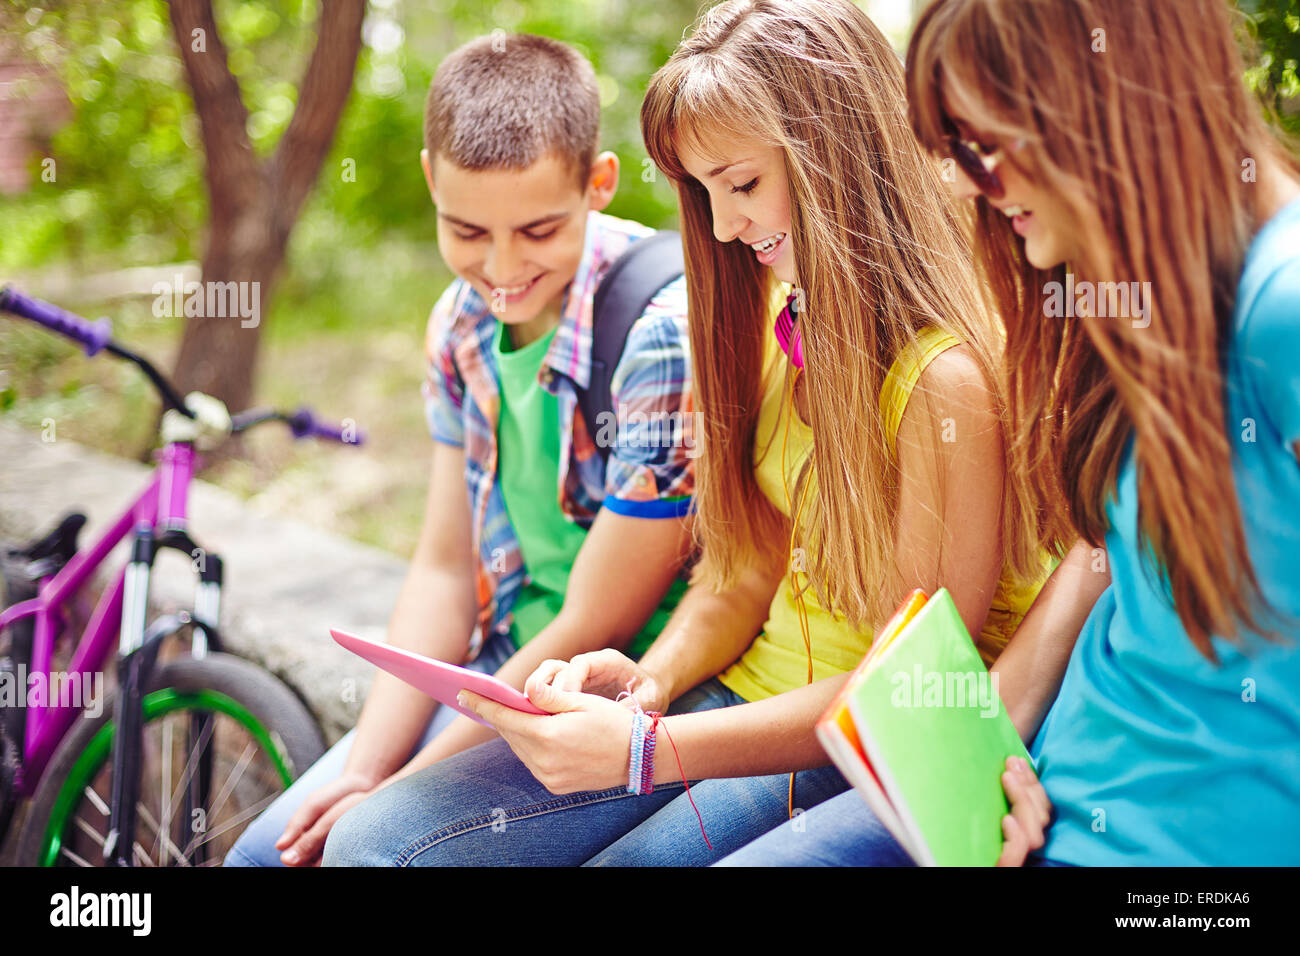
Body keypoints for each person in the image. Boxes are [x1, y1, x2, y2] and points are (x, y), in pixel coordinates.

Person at [322, 0, 1053, 868]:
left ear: (841, 157)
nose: (719, 226)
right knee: (378, 844)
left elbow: (907, 692)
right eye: (703, 192)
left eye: (741, 184)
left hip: (850, 746)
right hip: (734, 693)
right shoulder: (783, 313)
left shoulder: (946, 386)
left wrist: (647, 751)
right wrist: (651, 681)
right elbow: (741, 570)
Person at [721, 0, 1300, 867]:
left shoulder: (1279, 308)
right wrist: (997, 737)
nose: (958, 183)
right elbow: (1102, 553)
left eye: (981, 145)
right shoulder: (1143, 296)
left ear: (1107, 99)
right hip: (1039, 798)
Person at [225, 33, 696, 867]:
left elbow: (600, 616)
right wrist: (369, 766)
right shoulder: (461, 323)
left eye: (540, 229)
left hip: (624, 695)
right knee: (264, 854)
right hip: (499, 672)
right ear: (431, 181)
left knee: (375, 848)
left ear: (601, 182)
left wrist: (397, 791)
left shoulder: (662, 330)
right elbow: (445, 566)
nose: (502, 267)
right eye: (467, 229)